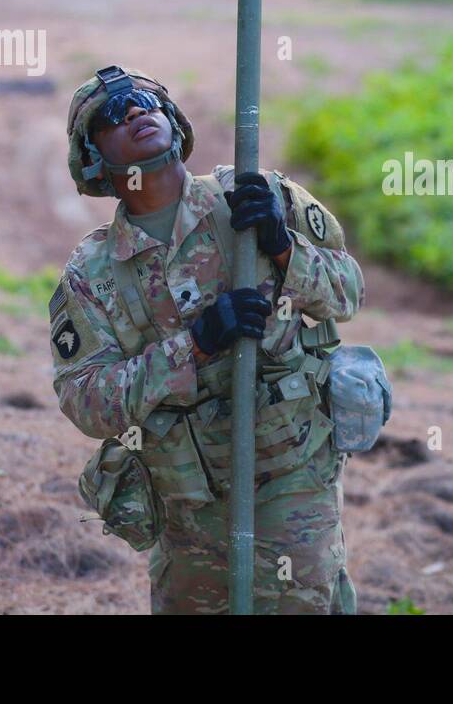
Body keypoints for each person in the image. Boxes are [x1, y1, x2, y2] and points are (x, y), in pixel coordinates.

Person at [50, 65, 364, 613]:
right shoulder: (92, 271)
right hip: (186, 506)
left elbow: (347, 293)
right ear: (94, 158)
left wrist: (283, 245)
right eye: (110, 115)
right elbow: (87, 401)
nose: (133, 112)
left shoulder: (254, 195)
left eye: (145, 100)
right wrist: (191, 347)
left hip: (288, 479)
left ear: (171, 117)